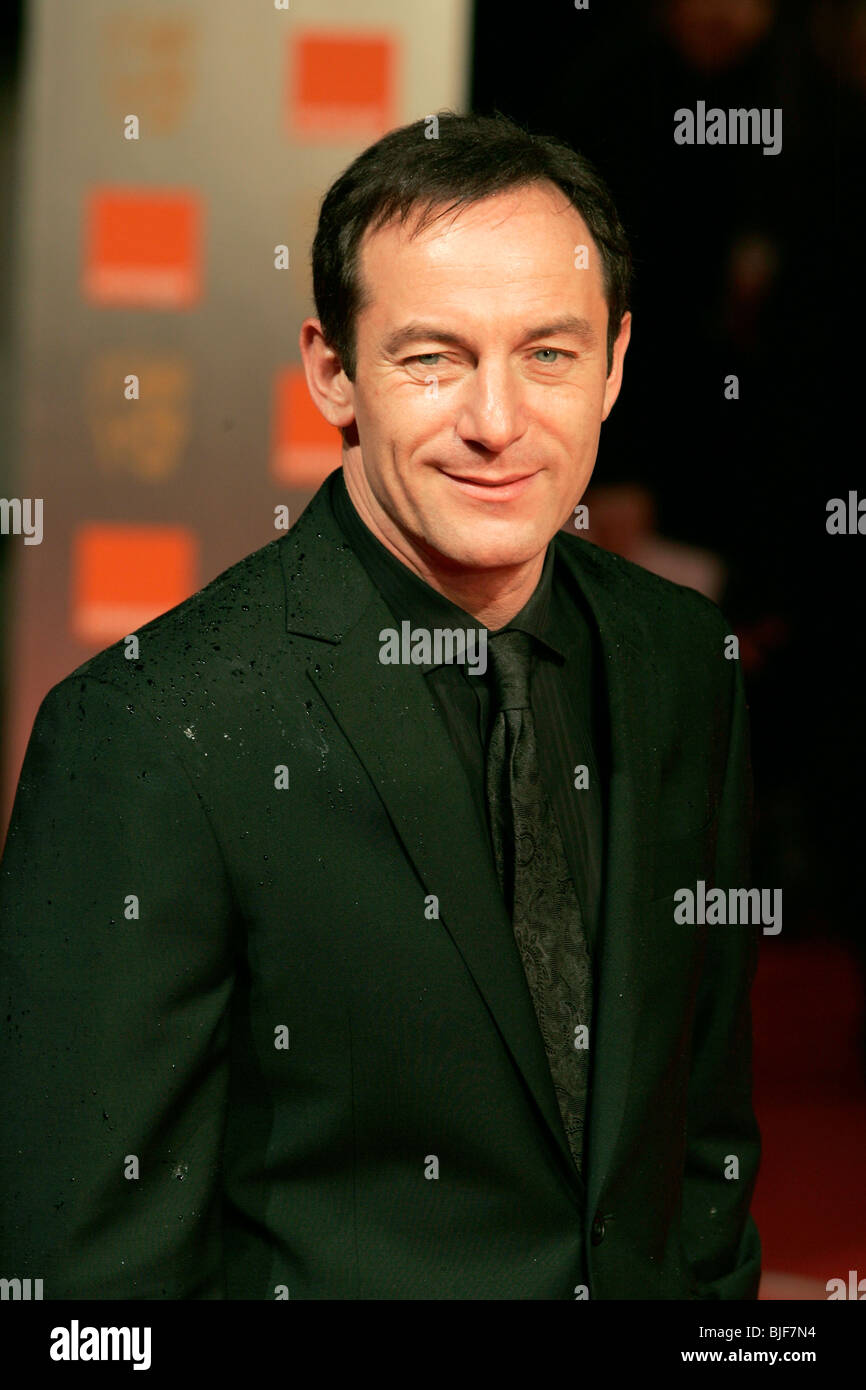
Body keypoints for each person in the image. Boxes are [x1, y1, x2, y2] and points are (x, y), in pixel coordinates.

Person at [0, 111, 761, 1300]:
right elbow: (90, 1278)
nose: (497, 422)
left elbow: (700, 1138)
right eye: (432, 358)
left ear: (614, 362)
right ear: (330, 370)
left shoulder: (678, 659)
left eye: (547, 355)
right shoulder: (150, 732)